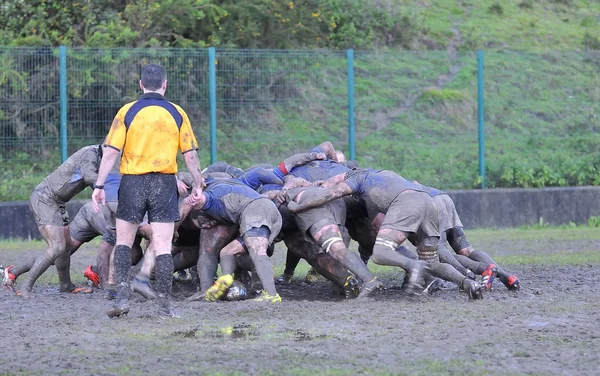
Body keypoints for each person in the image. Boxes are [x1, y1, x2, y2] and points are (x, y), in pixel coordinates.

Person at [92, 63, 203, 319]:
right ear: (165, 84)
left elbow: (110, 152)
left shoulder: (127, 111)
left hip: (132, 182)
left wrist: (99, 185)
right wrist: (197, 183)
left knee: (123, 241)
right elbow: (190, 154)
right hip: (164, 183)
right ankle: (165, 307)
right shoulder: (177, 113)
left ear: (141, 85)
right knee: (163, 245)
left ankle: (121, 297)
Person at [288, 168, 484, 299]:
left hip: (406, 203)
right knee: (432, 262)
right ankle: (467, 284)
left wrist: (298, 205)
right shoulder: (387, 175)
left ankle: (414, 266)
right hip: (427, 201)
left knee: (381, 254)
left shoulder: (357, 178)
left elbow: (329, 194)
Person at [3, 145, 103, 297]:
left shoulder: (101, 156)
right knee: (57, 247)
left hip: (57, 202)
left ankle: (65, 285)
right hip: (45, 199)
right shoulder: (91, 153)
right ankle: (26, 288)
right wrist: (106, 188)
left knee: (65, 247)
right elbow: (90, 177)